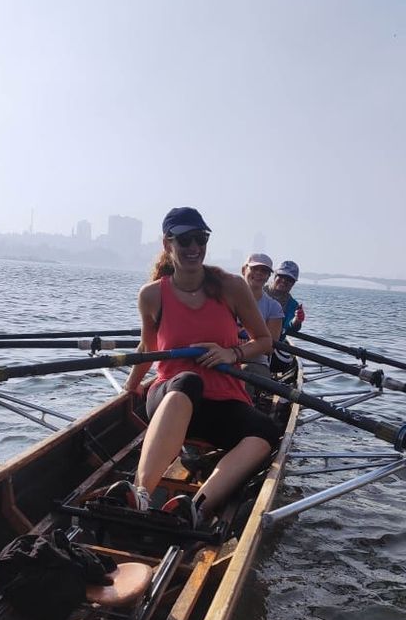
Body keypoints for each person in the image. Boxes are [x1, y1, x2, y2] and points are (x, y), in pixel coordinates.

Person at [111, 207, 281, 527]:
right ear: (168, 244)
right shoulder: (151, 295)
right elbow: (147, 348)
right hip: (169, 398)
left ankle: (195, 507)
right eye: (185, 239)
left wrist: (233, 353)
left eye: (200, 239)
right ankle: (140, 494)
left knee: (267, 432)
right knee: (187, 381)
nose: (193, 247)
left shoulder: (231, 286)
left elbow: (263, 341)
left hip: (222, 400)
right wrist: (131, 386)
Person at [239, 253, 284, 394]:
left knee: (244, 371)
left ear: (268, 277)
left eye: (264, 271)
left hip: (256, 363)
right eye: (254, 268)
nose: (258, 273)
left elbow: (269, 348)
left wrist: (238, 348)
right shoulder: (223, 298)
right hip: (222, 357)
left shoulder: (273, 307)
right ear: (243, 270)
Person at [264, 260, 305, 374]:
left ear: (293, 283)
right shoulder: (259, 291)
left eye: (289, 280)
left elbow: (289, 326)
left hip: (273, 344)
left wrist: (297, 320)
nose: (284, 281)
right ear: (275, 276)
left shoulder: (292, 305)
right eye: (281, 277)